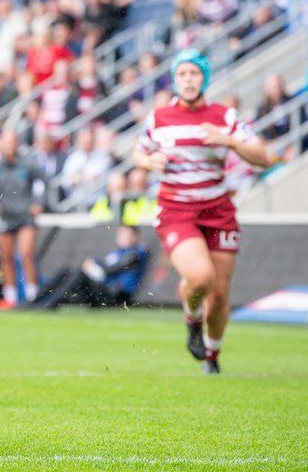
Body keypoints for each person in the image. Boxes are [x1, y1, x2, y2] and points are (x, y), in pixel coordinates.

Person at [133, 49, 270, 374]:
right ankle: (192, 321)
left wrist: (228, 140)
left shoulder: (226, 116)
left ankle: (212, 357)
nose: (188, 80)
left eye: (194, 74)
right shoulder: (160, 118)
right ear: (175, 79)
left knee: (220, 294)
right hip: (176, 210)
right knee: (201, 277)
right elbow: (140, 153)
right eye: (182, 74)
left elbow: (263, 157)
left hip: (218, 209)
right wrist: (149, 162)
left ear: (204, 78)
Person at [0, 129, 45, 309]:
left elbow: (45, 181)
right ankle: (10, 297)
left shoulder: (28, 164)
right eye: (6, 142)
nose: (9, 146)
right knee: (6, 257)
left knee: (26, 254)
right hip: (6, 216)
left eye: (12, 141)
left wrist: (39, 203)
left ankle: (33, 296)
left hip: (26, 215)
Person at [34, 224, 148, 309]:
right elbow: (104, 263)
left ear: (135, 237)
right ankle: (36, 300)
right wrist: (93, 264)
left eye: (126, 235)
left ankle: (51, 303)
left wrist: (93, 266)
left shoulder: (137, 254)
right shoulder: (118, 252)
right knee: (65, 271)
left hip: (115, 296)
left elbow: (112, 269)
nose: (122, 238)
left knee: (80, 275)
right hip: (103, 289)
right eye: (121, 234)